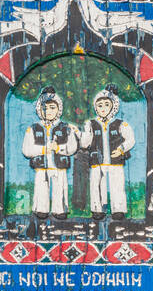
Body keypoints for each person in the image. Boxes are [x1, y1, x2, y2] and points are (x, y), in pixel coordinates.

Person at [79, 85, 136, 221]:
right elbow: (84, 143)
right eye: (99, 105)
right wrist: (86, 132)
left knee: (117, 185)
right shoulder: (91, 124)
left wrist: (121, 149)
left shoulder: (120, 124)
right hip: (97, 162)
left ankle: (119, 209)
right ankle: (97, 210)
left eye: (106, 104)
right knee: (96, 185)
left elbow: (130, 139)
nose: (103, 108)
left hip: (115, 161)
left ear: (113, 106)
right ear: (96, 107)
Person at [22, 86, 77, 220]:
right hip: (42, 164)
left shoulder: (65, 127)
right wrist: (43, 149)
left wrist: (58, 148)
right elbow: (26, 149)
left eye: (52, 107)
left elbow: (72, 147)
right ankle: (41, 209)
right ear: (39, 109)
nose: (49, 111)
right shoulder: (34, 128)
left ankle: (60, 210)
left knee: (60, 187)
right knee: (41, 187)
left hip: (59, 164)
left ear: (59, 109)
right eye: (44, 108)